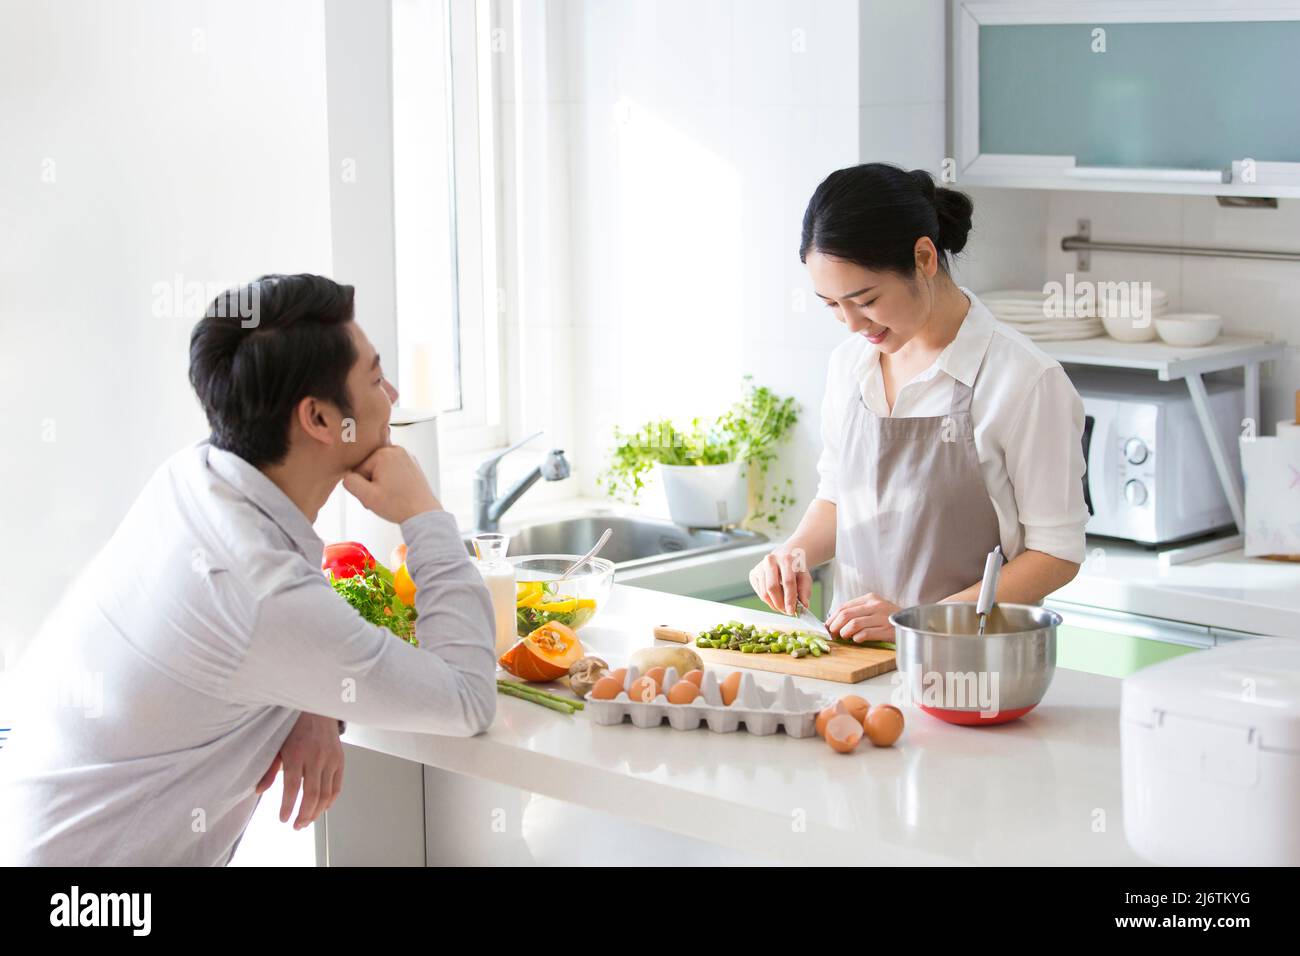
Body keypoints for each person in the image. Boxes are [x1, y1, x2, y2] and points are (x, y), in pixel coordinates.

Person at [0, 274, 496, 865]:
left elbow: (252, 637)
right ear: (317, 418)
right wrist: (423, 513)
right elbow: (468, 700)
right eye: (373, 378)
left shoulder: (194, 476)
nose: (390, 394)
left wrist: (310, 697)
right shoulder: (262, 596)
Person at [750, 164, 1088, 640]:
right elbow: (838, 495)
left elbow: (1056, 553)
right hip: (854, 663)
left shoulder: (1025, 380)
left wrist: (916, 622)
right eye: (831, 304)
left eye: (865, 299)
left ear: (925, 257)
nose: (851, 324)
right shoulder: (850, 365)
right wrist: (795, 552)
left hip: (976, 671)